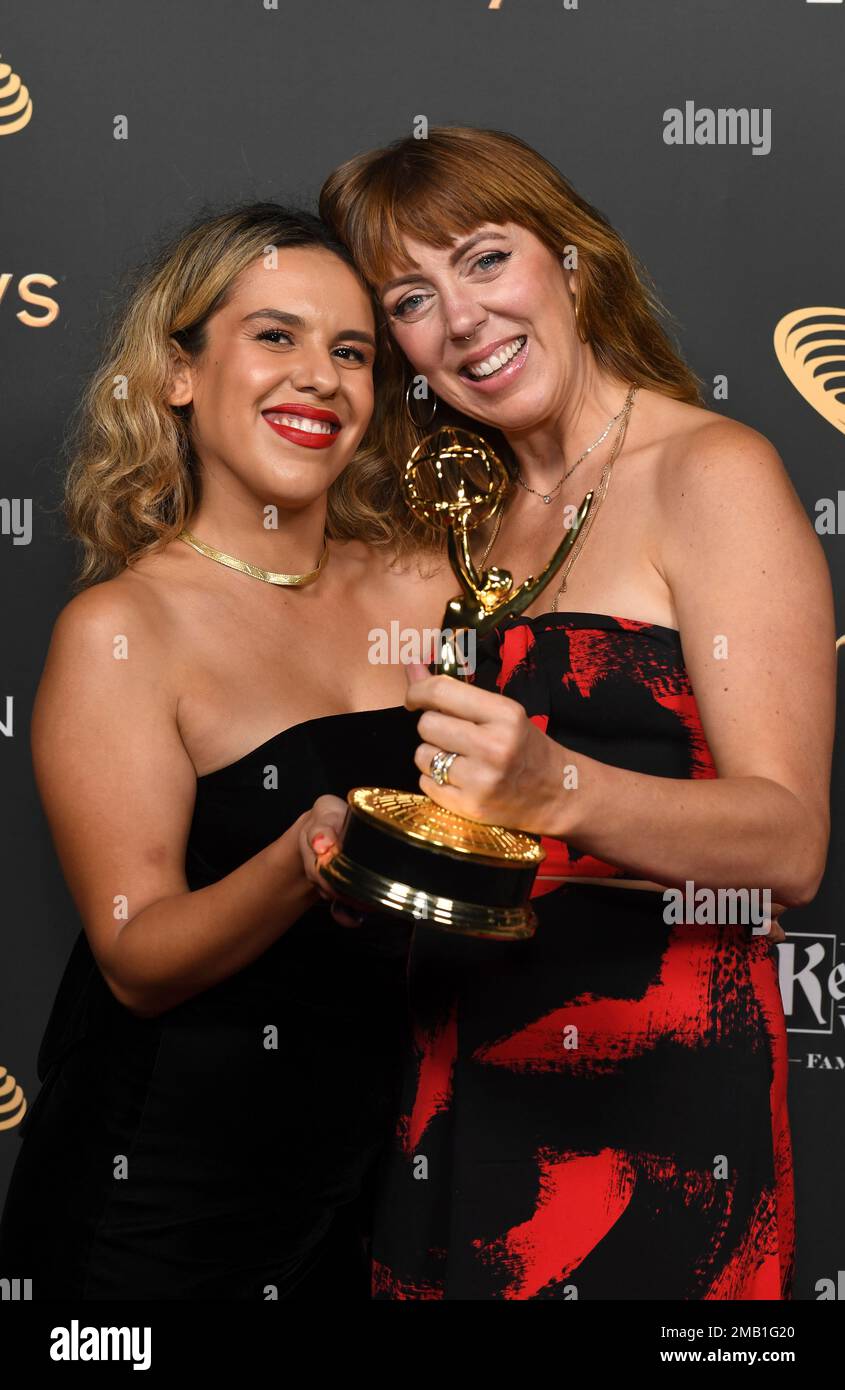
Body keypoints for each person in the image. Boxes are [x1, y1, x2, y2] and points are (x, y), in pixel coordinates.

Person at [304, 126, 836, 1299]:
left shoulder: (711, 473)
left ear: (571, 260)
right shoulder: (464, 519)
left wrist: (559, 790)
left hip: (652, 1116)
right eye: (410, 297)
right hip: (458, 1066)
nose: (460, 320)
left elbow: (789, 843)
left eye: (485, 260)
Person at [0, 202, 456, 1299]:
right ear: (177, 373)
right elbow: (135, 957)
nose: (321, 377)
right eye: (274, 336)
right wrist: (309, 854)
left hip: (383, 1186)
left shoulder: (429, 581)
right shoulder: (125, 630)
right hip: (162, 1196)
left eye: (351, 351)